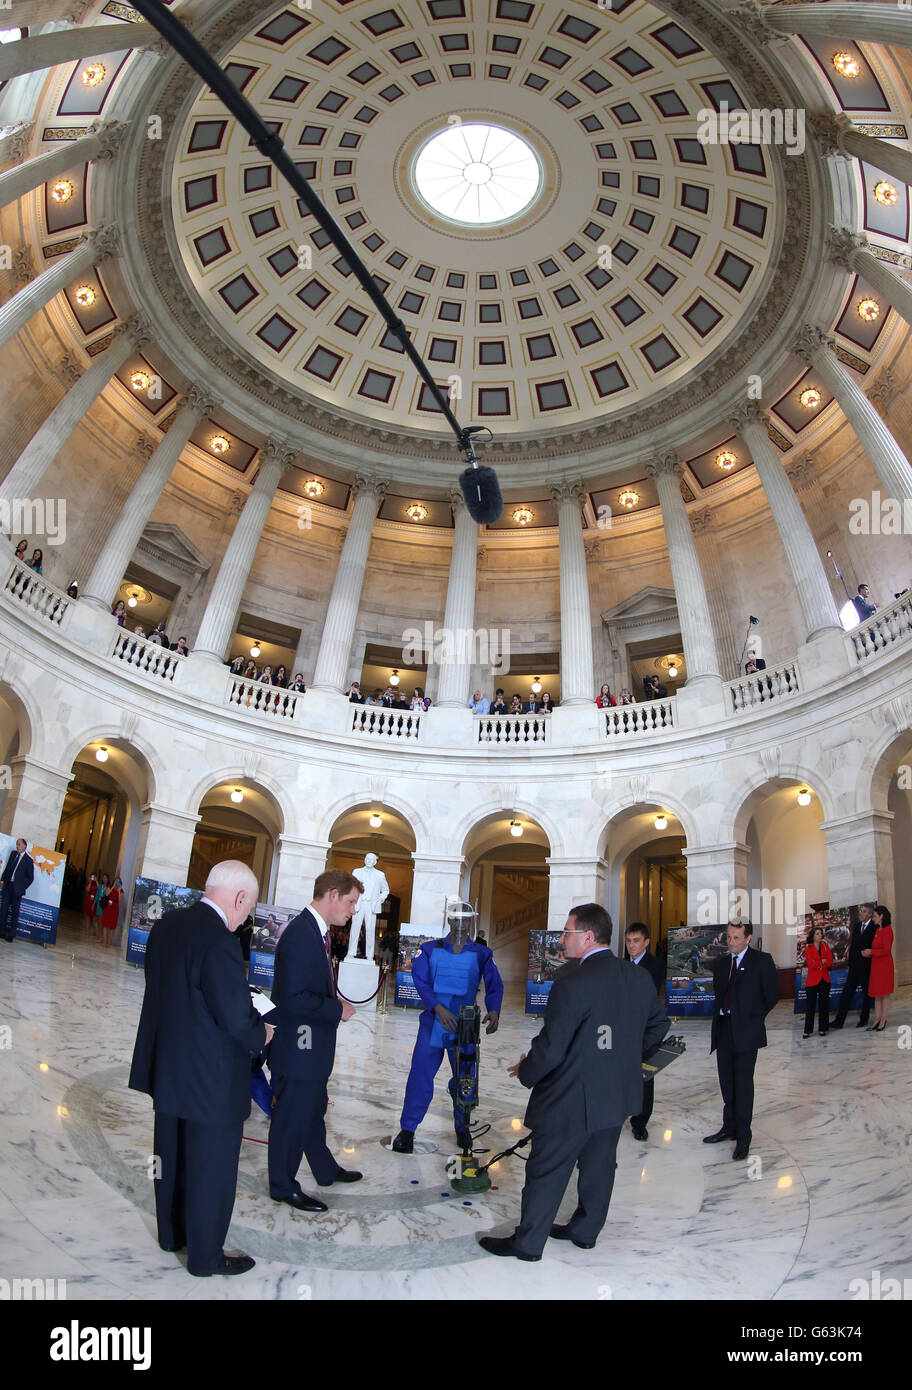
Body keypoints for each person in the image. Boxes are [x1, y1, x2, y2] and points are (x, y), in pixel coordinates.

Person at [479, 903, 668, 1260]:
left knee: (546, 1168)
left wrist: (526, 1071)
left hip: (569, 1098)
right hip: (616, 1095)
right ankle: (585, 1232)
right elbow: (659, 1026)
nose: (562, 938)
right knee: (599, 1166)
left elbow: (552, 1048)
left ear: (587, 936)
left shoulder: (572, 980)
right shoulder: (637, 977)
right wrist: (622, 1059)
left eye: (567, 932)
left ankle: (528, 1243)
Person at [129, 861, 270, 1276]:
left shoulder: (167, 926)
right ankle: (206, 1257)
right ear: (240, 898)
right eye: (249, 908)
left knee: (169, 1158)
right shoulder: (220, 941)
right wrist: (265, 1033)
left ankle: (172, 1235)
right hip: (210, 1077)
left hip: (168, 1066)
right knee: (210, 1169)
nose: (246, 917)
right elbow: (236, 1020)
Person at [267, 870, 363, 1207]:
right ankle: (282, 1185)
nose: (353, 910)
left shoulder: (315, 932)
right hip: (298, 1048)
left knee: (312, 1110)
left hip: (309, 1047)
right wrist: (336, 1009)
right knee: (292, 1118)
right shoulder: (301, 935)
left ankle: (324, 1168)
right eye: (351, 902)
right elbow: (292, 998)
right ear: (333, 895)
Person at [392, 898, 503, 1154]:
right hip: (434, 1022)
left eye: (467, 920)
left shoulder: (482, 953)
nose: (462, 924)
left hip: (464, 1024)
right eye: (458, 919)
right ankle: (408, 1129)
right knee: (420, 1075)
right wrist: (437, 1007)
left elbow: (494, 982)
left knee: (465, 1077)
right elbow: (420, 980)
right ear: (450, 920)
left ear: (472, 922)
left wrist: (494, 1008)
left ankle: (462, 1127)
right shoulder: (429, 949)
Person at [704, 919, 779, 1160]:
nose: (731, 942)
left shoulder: (762, 961)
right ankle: (729, 1128)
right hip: (724, 1030)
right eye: (729, 937)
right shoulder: (722, 963)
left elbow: (772, 996)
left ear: (748, 938)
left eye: (737, 938)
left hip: (747, 1033)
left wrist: (751, 1017)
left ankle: (744, 1137)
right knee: (727, 1082)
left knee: (743, 1084)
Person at [625, 922, 665, 1141]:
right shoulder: (620, 965)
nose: (631, 946)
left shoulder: (656, 965)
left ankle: (640, 1122)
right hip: (623, 1029)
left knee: (645, 1077)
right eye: (629, 941)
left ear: (646, 942)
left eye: (636, 941)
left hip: (645, 1030)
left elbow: (645, 994)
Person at [830, 904, 876, 1028]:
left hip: (866, 967)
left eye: (864, 911)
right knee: (846, 994)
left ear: (870, 914)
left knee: (867, 994)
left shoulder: (874, 927)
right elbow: (853, 946)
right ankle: (839, 1021)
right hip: (854, 967)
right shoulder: (856, 926)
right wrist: (850, 963)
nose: (861, 913)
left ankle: (864, 1019)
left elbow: (875, 946)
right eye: (861, 911)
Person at [0, 837, 35, 941]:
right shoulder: (13, 854)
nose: (17, 846)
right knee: (3, 910)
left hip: (17, 891)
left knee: (15, 913)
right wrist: (2, 881)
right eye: (16, 844)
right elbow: (7, 869)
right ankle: (1, 931)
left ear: (24, 846)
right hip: (8, 887)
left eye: (19, 844)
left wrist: (21, 888)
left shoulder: (28, 860)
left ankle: (11, 935)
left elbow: (30, 878)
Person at [803, 923, 833, 1038]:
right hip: (812, 981)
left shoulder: (825, 946)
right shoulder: (808, 949)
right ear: (813, 936)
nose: (820, 935)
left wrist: (820, 964)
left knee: (824, 1005)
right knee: (810, 1006)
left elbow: (830, 961)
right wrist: (822, 963)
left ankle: (823, 1028)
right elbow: (811, 964)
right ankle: (807, 1030)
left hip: (824, 979)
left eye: (821, 933)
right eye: (817, 934)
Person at [867, 906, 894, 1032]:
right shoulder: (878, 930)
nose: (873, 918)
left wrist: (871, 951)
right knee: (877, 993)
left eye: (875, 916)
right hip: (876, 965)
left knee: (884, 993)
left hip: (884, 965)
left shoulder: (888, 930)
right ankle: (877, 1018)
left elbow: (886, 950)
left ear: (881, 916)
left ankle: (883, 1018)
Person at [101, 875, 122, 948]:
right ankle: (104, 942)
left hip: (115, 908)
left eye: (118, 881)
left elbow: (120, 899)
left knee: (112, 926)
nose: (117, 883)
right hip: (108, 907)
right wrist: (113, 887)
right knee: (105, 924)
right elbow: (107, 894)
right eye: (116, 881)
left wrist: (119, 890)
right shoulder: (110, 886)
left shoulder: (121, 890)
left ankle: (109, 943)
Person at [94, 872, 110, 944]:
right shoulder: (100, 886)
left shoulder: (108, 887)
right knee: (97, 920)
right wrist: (94, 903)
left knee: (101, 921)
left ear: (108, 879)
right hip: (98, 904)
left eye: (106, 878)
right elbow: (97, 895)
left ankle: (101, 937)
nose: (104, 879)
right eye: (103, 878)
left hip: (103, 905)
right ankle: (98, 935)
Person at [83, 871, 98, 939]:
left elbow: (99, 889)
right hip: (89, 900)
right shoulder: (88, 883)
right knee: (87, 917)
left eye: (94, 876)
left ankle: (96, 933)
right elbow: (87, 890)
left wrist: (96, 880)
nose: (93, 878)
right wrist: (90, 882)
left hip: (95, 901)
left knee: (94, 918)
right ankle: (87, 932)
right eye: (91, 876)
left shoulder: (97, 884)